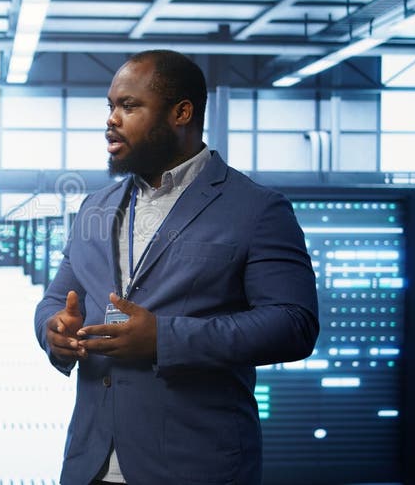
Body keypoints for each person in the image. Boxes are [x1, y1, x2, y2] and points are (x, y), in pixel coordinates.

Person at [33, 50, 319, 485]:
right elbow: (58, 296)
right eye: (110, 106)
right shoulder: (95, 207)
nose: (111, 118)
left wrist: (164, 339)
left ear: (181, 112)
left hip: (195, 466)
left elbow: (294, 324)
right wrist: (54, 330)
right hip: (90, 463)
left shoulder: (257, 209)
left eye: (129, 106)